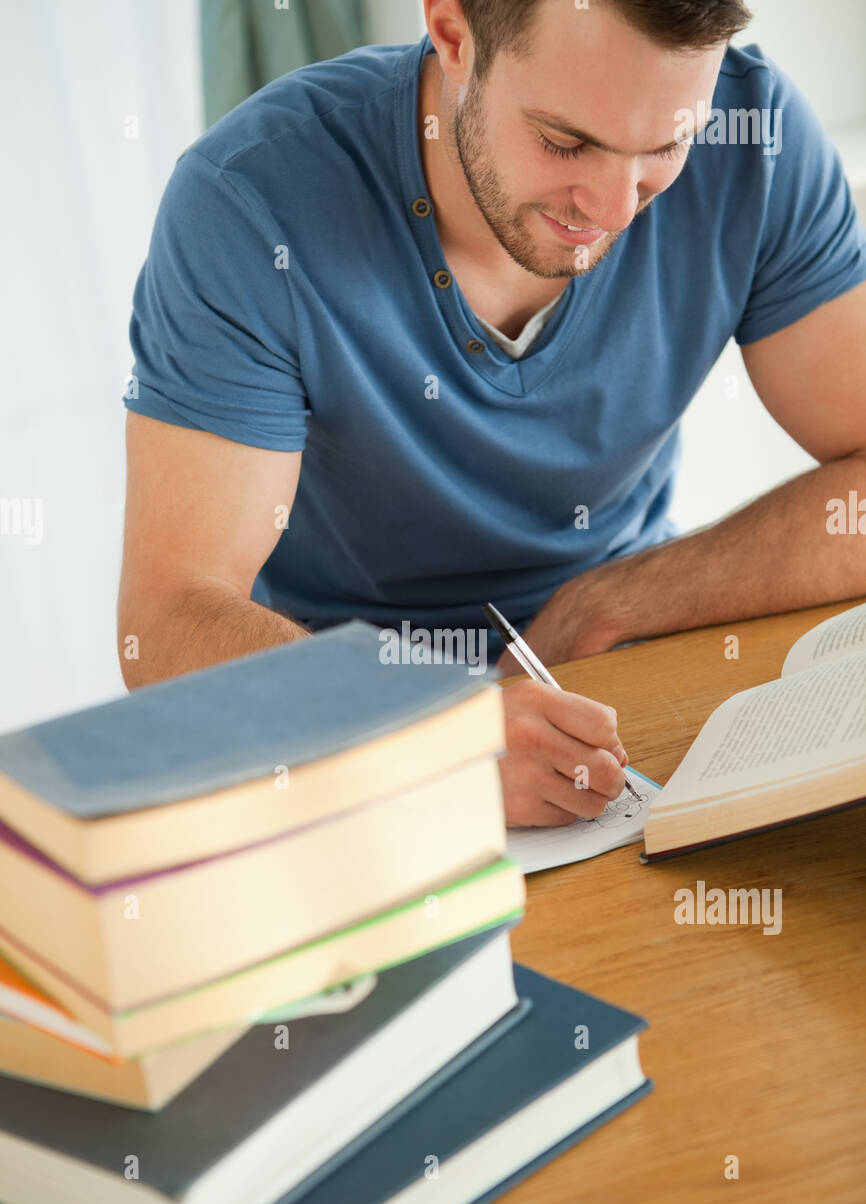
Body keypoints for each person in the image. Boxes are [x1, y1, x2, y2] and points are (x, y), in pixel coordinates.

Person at [119, 0, 866, 827]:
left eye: (665, 147)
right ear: (452, 32)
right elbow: (168, 619)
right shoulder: (251, 201)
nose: (616, 210)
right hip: (339, 730)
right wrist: (433, 734)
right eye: (564, 141)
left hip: (618, 676)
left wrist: (618, 601)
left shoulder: (754, 138)